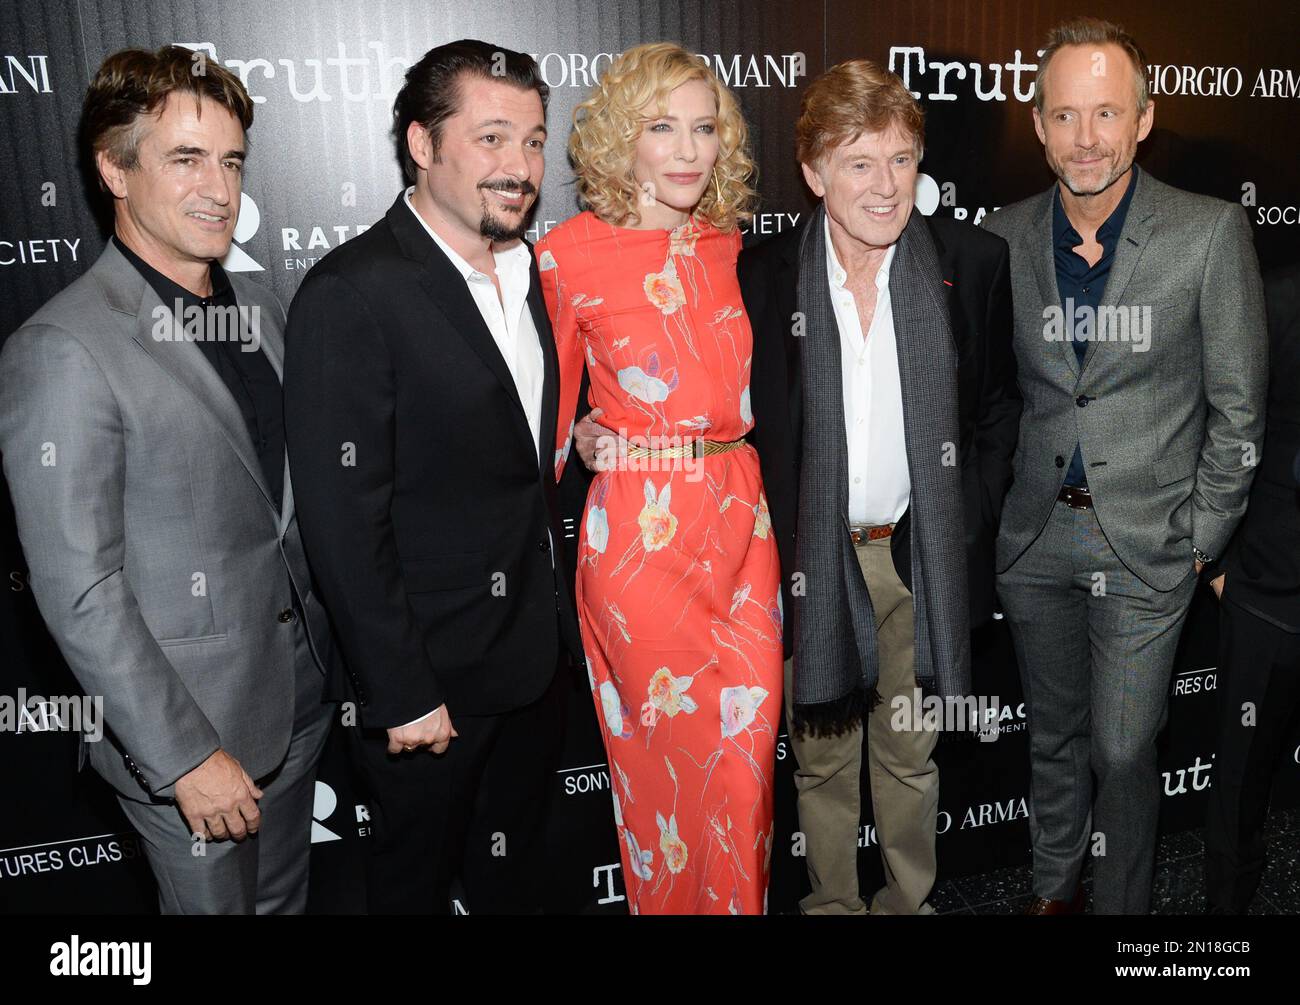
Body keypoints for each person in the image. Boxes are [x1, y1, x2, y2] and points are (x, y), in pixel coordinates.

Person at [0, 46, 335, 914]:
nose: (219, 189)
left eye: (230, 162)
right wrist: (184, 754)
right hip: (191, 737)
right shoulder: (64, 349)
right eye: (185, 159)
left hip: (298, 700)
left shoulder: (260, 310)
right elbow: (79, 589)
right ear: (114, 168)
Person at [282, 39, 582, 915]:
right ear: (422, 143)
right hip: (430, 693)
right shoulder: (354, 290)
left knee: (512, 882)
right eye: (491, 139)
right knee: (410, 895)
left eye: (531, 142)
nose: (519, 166)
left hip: (531, 667)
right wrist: (403, 691)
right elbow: (342, 521)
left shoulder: (533, 276)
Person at [982, 16, 1267, 914]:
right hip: (1033, 541)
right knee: (1054, 742)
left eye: (1107, 113)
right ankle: (1053, 894)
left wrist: (1198, 541)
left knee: (1121, 748)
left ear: (1143, 118)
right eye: (1065, 115)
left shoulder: (1210, 233)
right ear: (1037, 125)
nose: (1087, 139)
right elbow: (992, 398)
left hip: (1149, 545)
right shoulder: (1002, 235)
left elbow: (1239, 407)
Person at [535, 42, 781, 914]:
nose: (688, 150)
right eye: (662, 128)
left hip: (741, 527)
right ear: (619, 140)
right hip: (640, 539)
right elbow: (547, 423)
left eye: (705, 129)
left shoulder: (728, 244)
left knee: (747, 775)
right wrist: (592, 434)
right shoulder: (566, 255)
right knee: (666, 782)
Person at [1203, 261, 1300, 914]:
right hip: (1268, 586)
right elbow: (1213, 418)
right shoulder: (1273, 299)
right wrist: (1215, 561)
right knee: (1239, 783)